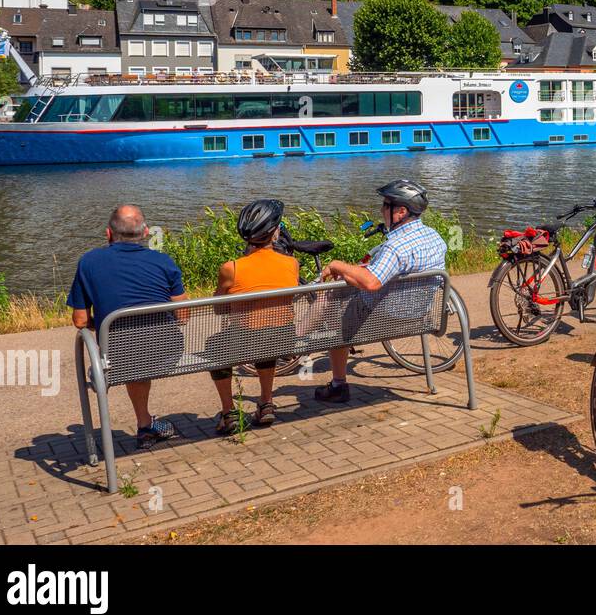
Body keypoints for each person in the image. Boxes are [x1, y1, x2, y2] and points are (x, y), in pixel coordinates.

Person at [315, 179, 446, 403]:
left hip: (386, 318)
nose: (382, 210)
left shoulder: (396, 246)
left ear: (401, 212)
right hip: (420, 315)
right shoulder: (435, 237)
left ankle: (337, 382)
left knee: (334, 303)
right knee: (349, 281)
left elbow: (372, 283)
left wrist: (338, 265)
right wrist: (354, 271)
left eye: (386, 205)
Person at [68, 205, 188, 445]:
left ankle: (144, 425)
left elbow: (80, 320)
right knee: (143, 349)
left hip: (118, 356)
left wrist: (103, 324)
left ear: (108, 234)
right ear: (145, 233)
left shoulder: (89, 262)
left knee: (132, 352)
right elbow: (183, 316)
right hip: (167, 352)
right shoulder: (163, 261)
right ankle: (145, 425)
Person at [205, 200, 299, 433]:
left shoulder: (232, 268)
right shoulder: (292, 263)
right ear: (275, 232)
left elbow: (219, 308)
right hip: (284, 340)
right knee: (267, 338)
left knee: (214, 346)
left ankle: (229, 413)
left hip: (244, 342)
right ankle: (266, 402)